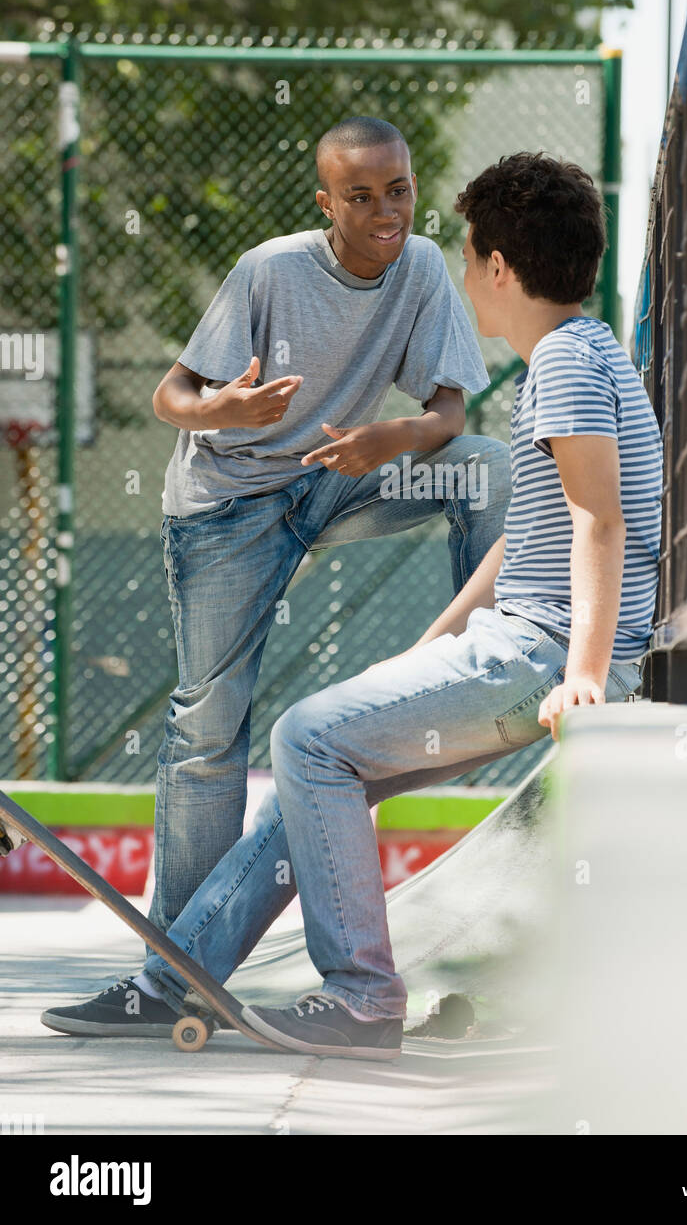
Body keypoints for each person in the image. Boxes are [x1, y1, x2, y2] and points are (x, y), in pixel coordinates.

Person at [42, 153, 662, 1059]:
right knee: (310, 781)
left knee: (303, 738)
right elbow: (522, 542)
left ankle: (363, 998)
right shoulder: (581, 353)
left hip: (540, 654)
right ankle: (175, 982)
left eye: (468, 257)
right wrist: (428, 650)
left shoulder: (563, 367)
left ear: (496, 267)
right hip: (511, 639)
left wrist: (581, 677)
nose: (459, 277)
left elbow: (595, 520)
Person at [141, 115, 510, 944]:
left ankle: (486, 659)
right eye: (361, 197)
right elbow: (169, 396)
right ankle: (182, 951)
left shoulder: (419, 269)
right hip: (227, 505)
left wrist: (394, 437)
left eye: (399, 191)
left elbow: (449, 411)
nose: (387, 213)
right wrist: (219, 408)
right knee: (210, 725)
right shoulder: (268, 270)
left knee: (483, 462)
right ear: (326, 203)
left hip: (333, 476)